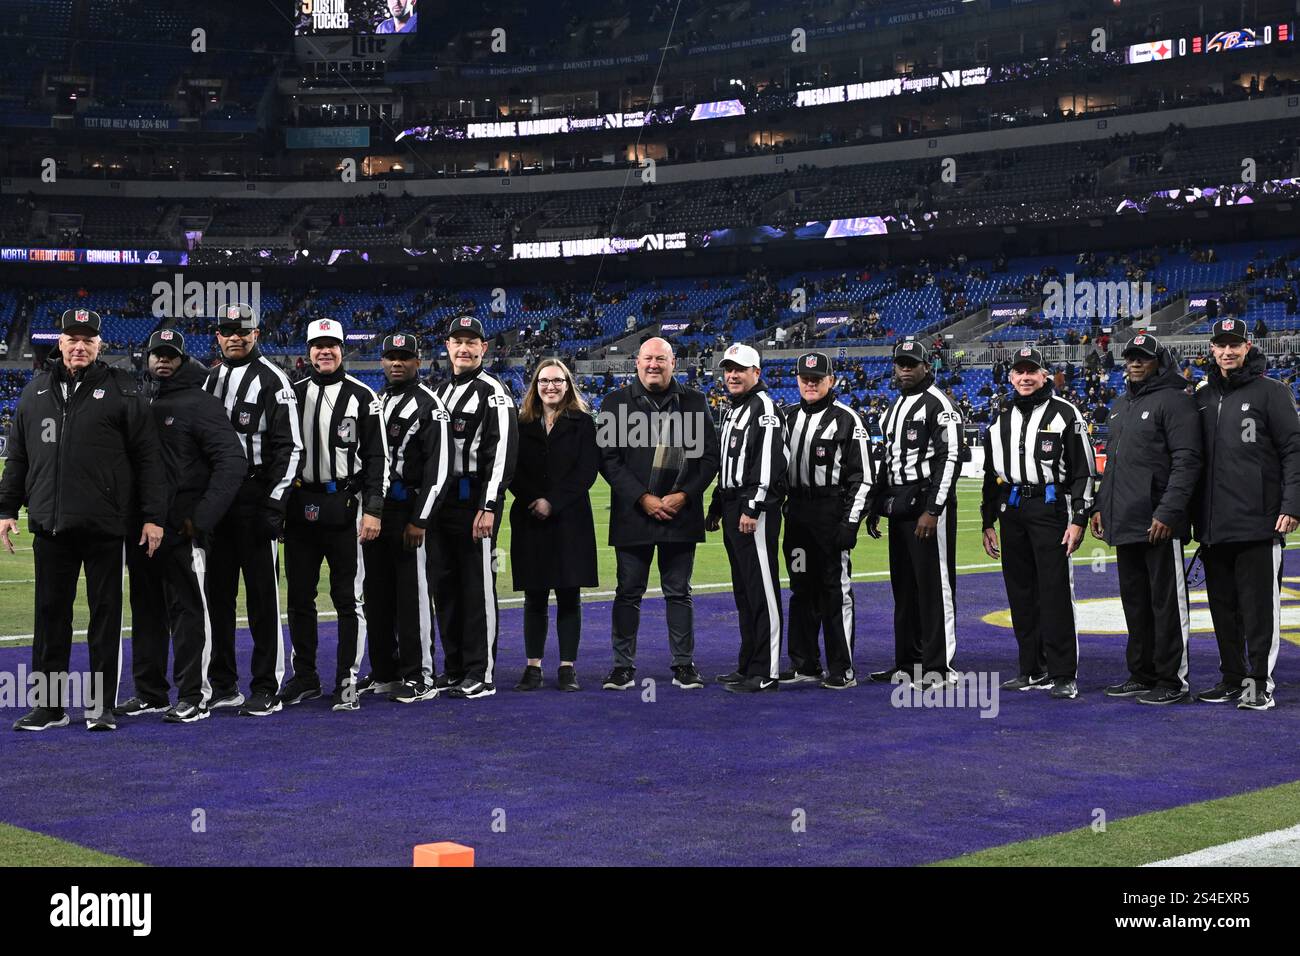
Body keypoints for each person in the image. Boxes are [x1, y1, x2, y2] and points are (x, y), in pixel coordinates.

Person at [1, 309, 166, 732]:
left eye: (87, 340)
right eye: (72, 339)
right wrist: (5, 509)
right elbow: (17, 457)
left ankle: (99, 706)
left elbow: (148, 459)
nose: (79, 346)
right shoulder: (34, 392)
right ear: (60, 343)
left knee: (104, 617)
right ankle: (50, 707)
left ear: (98, 347)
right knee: (50, 616)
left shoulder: (123, 391)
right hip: (50, 525)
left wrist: (152, 517)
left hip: (104, 526)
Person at [117, 329, 245, 724]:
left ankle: (195, 694)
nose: (163, 361)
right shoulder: (141, 400)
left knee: (188, 610)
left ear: (182, 359)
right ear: (147, 357)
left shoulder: (200, 402)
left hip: (181, 527)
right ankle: (150, 691)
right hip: (143, 526)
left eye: (171, 355)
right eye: (157, 354)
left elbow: (232, 461)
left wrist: (201, 518)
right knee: (146, 609)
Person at [278, 319, 389, 712]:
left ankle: (347, 678)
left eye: (332, 345)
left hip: (345, 504)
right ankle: (306, 676)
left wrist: (373, 510)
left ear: (343, 350)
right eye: (317, 346)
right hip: (300, 504)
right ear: (307, 351)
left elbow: (378, 458)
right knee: (299, 597)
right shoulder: (290, 395)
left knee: (348, 598)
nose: (325, 352)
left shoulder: (363, 397)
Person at [597, 337, 719, 691]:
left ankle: (684, 664)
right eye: (648, 358)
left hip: (680, 514)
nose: (653, 364)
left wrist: (682, 495)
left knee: (679, 591)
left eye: (660, 359)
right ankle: (622, 666)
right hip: (634, 513)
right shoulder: (615, 402)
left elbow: (708, 458)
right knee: (628, 592)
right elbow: (608, 459)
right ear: (636, 362)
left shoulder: (694, 402)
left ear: (673, 362)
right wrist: (643, 498)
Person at [1192, 319, 1300, 711]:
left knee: (1259, 610)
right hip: (1213, 525)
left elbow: (1294, 450)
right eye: (1221, 345)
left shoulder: (1273, 392)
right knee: (1223, 608)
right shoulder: (1202, 397)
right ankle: (1232, 678)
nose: (1227, 352)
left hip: (1258, 522)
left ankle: (1258, 683)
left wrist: (1291, 505)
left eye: (1234, 345)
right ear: (1212, 348)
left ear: (1247, 346)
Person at [203, 303, 304, 718]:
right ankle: (223, 684)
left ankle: (266, 685)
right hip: (217, 503)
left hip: (255, 498)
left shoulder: (274, 380)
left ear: (257, 334)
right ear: (218, 336)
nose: (235, 337)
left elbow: (291, 448)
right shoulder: (209, 379)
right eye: (228, 330)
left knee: (263, 598)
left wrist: (275, 502)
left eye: (242, 331)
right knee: (217, 598)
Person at [980, 346, 1096, 701]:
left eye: (1032, 371)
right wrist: (987, 521)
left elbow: (1084, 471)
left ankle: (1063, 673)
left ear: (1044, 375)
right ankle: (1031, 668)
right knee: (1021, 593)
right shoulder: (999, 418)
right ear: (1011, 376)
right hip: (1012, 508)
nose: (1026, 377)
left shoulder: (1065, 413)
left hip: (1050, 507)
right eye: (1019, 371)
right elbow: (989, 475)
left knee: (1055, 591)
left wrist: (1079, 517)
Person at [1092, 333, 1202, 705]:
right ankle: (1142, 673)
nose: (1136, 363)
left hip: (1159, 523)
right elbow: (1114, 467)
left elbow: (1187, 462)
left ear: (1160, 361)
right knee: (1135, 603)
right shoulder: (1121, 404)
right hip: (1125, 520)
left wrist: (1169, 512)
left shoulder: (1176, 402)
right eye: (1131, 357)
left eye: (1144, 358)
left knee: (1166, 603)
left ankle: (1173, 680)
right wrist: (1100, 508)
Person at [426, 316, 518, 700]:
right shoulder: (442, 392)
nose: (463, 348)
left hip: (473, 504)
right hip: (441, 506)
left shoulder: (493, 392)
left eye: (471, 342)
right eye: (457, 342)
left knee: (477, 589)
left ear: (484, 348)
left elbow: (503, 455)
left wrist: (490, 505)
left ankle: (481, 671)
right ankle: (456, 666)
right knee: (444, 588)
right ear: (447, 346)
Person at [867, 340, 962, 689]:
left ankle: (939, 667)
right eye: (900, 364)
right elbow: (888, 460)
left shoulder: (940, 404)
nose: (905, 369)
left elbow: (950, 458)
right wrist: (877, 504)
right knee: (904, 590)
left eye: (912, 364)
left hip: (925, 505)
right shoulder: (894, 407)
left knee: (934, 587)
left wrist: (933, 508)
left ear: (926, 366)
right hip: (900, 505)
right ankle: (907, 663)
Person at [361, 332, 451, 704]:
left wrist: (422, 519)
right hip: (376, 513)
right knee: (376, 595)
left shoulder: (429, 405)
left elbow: (439, 468)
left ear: (418, 362)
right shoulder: (376, 401)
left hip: (408, 512)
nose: (397, 363)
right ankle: (385, 671)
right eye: (390, 357)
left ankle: (420, 674)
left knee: (412, 595)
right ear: (382, 361)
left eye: (404, 357)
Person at [780, 351, 872, 689]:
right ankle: (804, 662)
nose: (810, 383)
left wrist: (850, 522)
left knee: (835, 591)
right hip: (798, 517)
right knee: (801, 588)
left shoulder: (847, 419)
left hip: (830, 513)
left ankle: (842, 667)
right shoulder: (787, 417)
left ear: (831, 380)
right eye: (805, 378)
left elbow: (862, 478)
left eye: (817, 379)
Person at [509, 359, 599, 692]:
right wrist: (535, 499)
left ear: (567, 384)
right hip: (530, 518)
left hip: (569, 519)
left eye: (557, 381)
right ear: (535, 386)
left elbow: (586, 472)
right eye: (544, 381)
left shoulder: (584, 423)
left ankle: (567, 667)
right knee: (534, 596)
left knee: (568, 594)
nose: (551, 386)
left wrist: (553, 502)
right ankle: (533, 667)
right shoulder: (520, 424)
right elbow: (511, 470)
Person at [708, 343, 789, 693]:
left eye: (740, 369)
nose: (732, 375)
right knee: (744, 589)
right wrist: (715, 502)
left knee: (762, 590)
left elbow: (771, 465)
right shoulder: (732, 409)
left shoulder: (765, 408)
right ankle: (748, 664)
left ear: (757, 372)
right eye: (728, 369)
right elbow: (728, 464)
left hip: (752, 506)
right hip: (732, 502)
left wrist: (753, 506)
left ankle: (766, 669)